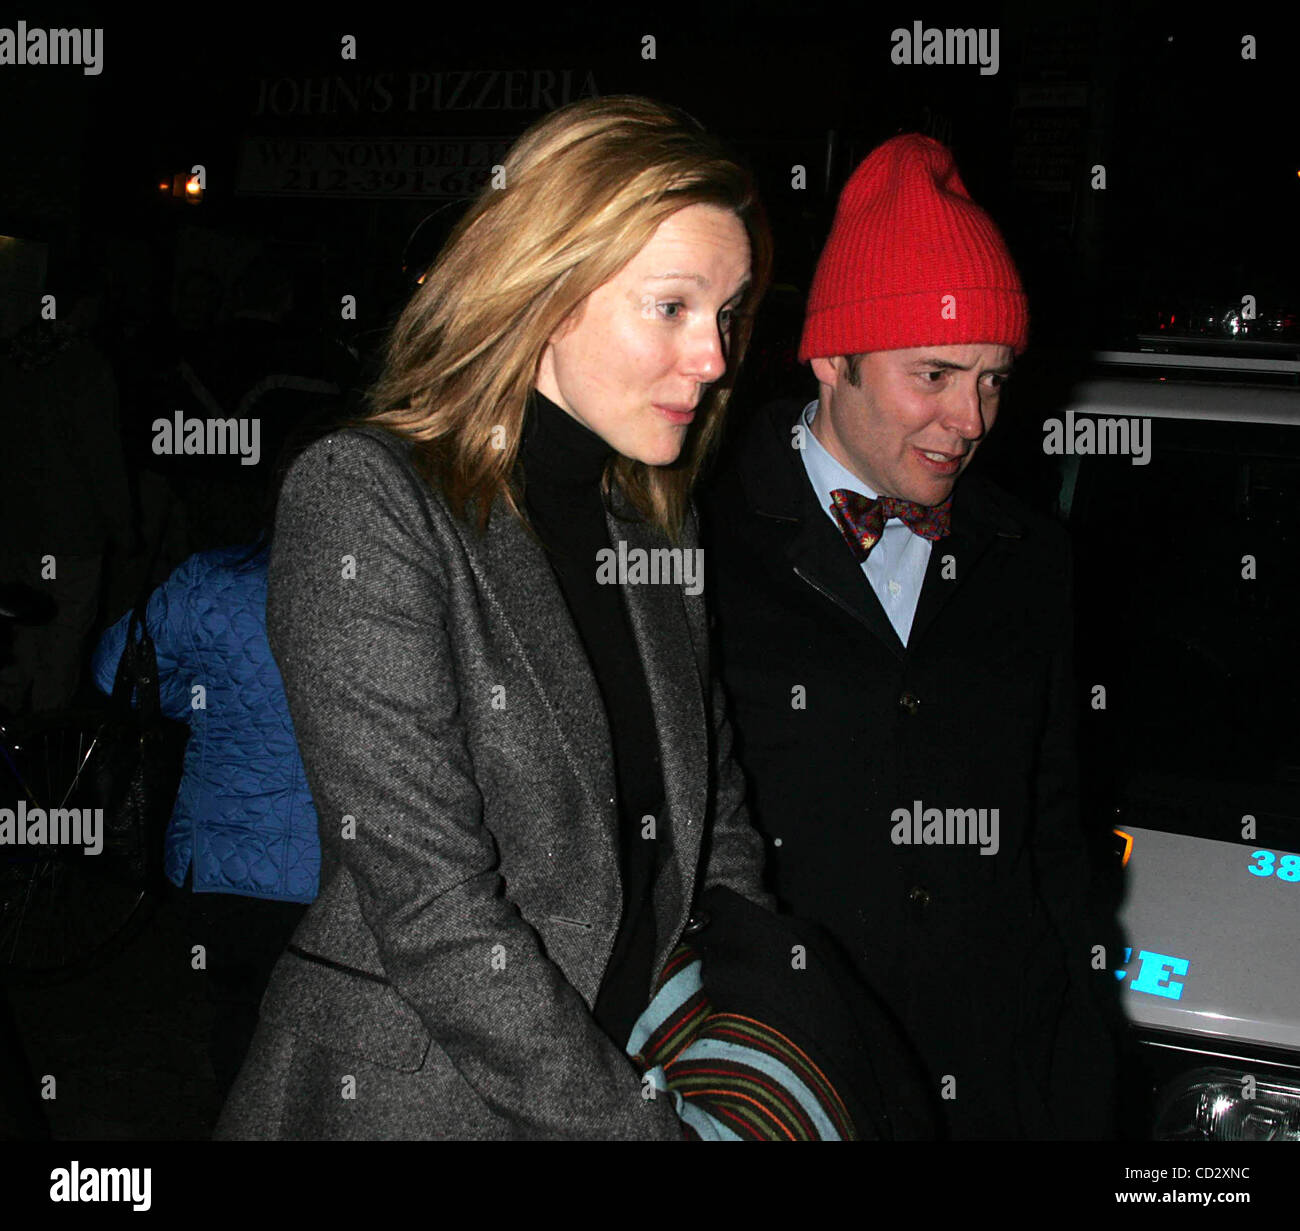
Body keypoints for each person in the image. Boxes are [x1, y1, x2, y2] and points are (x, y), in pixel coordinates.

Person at [213, 96, 788, 1141]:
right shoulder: (372, 499)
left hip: (644, 1078)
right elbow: (433, 907)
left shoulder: (657, 527)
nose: (713, 357)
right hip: (411, 1102)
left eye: (729, 312)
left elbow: (720, 826)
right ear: (545, 293)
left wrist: (752, 1030)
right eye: (672, 307)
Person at [700, 133, 1124, 1140]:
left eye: (992, 379)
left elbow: (1050, 837)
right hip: (781, 1071)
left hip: (992, 1075)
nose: (967, 420)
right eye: (933, 374)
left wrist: (1083, 1065)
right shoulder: (697, 539)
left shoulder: (1030, 557)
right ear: (830, 355)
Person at [91, 538, 320, 1106]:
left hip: (221, 865)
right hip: (341, 872)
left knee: (240, 1032)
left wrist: (202, 700)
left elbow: (113, 669)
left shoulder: (213, 581)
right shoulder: (402, 580)